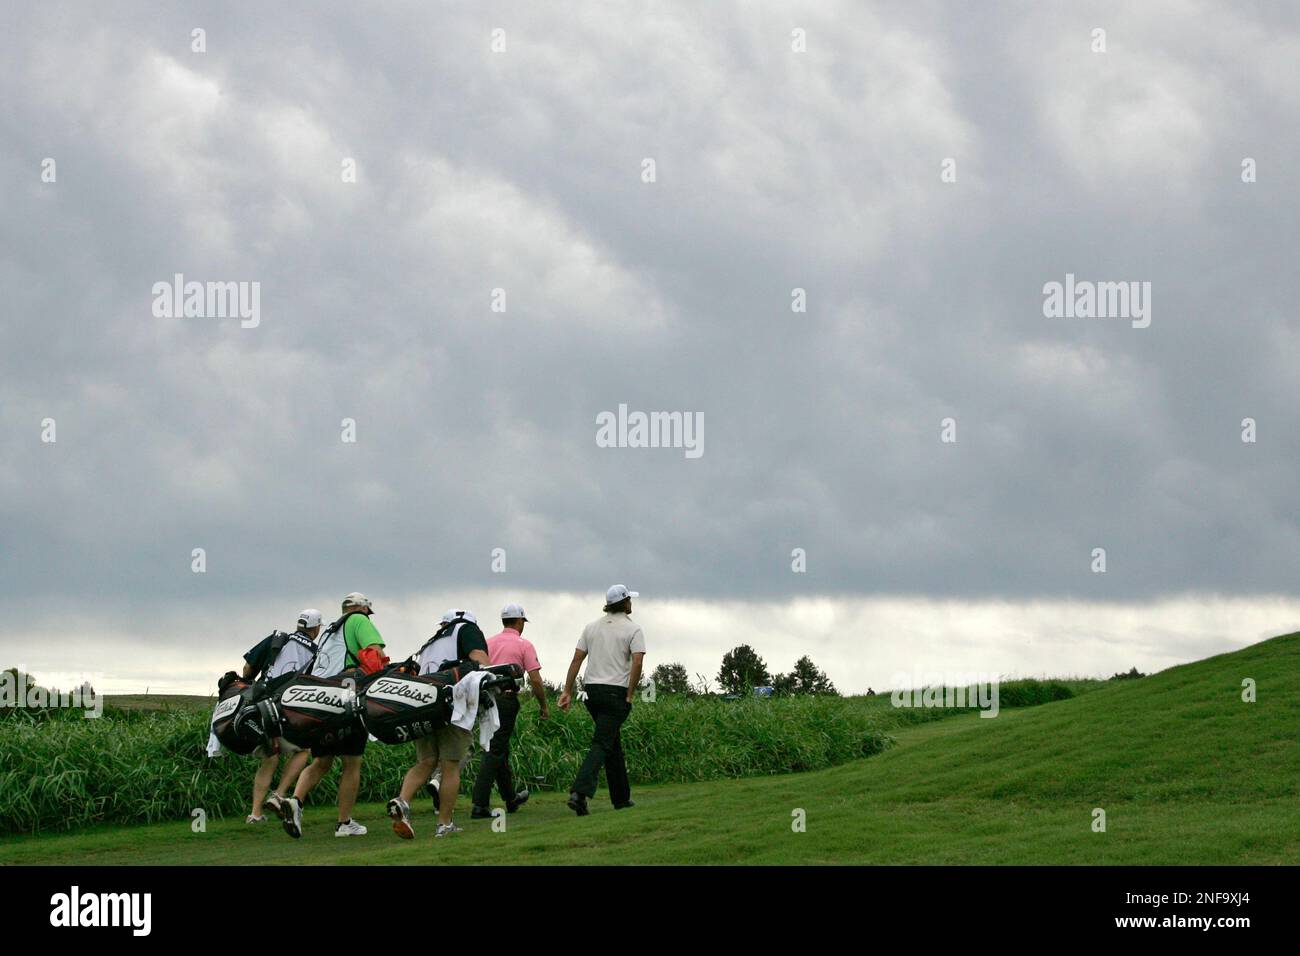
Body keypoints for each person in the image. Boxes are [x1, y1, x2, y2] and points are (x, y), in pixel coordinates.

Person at [280, 592, 388, 839]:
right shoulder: (359, 620)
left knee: (321, 761)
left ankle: (296, 801)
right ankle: (344, 823)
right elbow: (375, 654)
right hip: (346, 695)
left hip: (320, 699)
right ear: (362, 608)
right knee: (352, 761)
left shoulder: (330, 630)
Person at [387, 609, 489, 839]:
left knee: (426, 761)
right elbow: (480, 659)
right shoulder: (466, 629)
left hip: (422, 705)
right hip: (450, 706)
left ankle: (402, 801)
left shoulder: (431, 642)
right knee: (450, 765)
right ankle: (444, 824)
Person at [559, 585, 646, 815]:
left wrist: (567, 691)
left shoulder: (591, 627)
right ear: (625, 603)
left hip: (591, 693)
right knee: (602, 743)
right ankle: (579, 793)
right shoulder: (634, 629)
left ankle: (621, 799)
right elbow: (637, 662)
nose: (631, 604)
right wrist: (630, 692)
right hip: (615, 693)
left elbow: (577, 659)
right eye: (630, 600)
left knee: (611, 743)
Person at [469, 603, 550, 819]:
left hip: (484, 698)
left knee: (499, 748)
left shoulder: (488, 642)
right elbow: (535, 679)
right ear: (520, 621)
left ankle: (510, 798)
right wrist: (543, 705)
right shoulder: (524, 644)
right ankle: (479, 804)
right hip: (505, 699)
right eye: (523, 621)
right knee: (495, 750)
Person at [242, 609, 321, 823]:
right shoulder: (317, 651)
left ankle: (255, 814)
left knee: (270, 757)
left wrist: (249, 682)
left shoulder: (278, 638)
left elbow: (248, 668)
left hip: (261, 705)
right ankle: (279, 794)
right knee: (303, 750)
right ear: (316, 629)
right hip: (288, 709)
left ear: (299, 625)